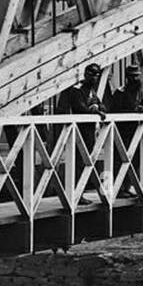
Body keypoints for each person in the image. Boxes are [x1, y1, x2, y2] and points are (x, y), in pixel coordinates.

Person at [56, 63, 106, 203]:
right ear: (86, 74)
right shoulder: (77, 90)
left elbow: (102, 105)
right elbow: (80, 108)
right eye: (92, 75)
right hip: (78, 132)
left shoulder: (91, 90)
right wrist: (95, 109)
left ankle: (79, 193)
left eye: (97, 75)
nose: (94, 78)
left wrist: (97, 107)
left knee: (86, 163)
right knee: (78, 163)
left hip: (89, 132)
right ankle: (75, 194)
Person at [108, 63, 143, 198]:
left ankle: (127, 186)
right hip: (122, 131)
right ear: (127, 77)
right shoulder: (120, 92)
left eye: (137, 76)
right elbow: (114, 111)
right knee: (120, 160)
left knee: (134, 160)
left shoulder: (141, 91)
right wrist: (132, 111)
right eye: (132, 77)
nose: (135, 79)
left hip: (135, 131)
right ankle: (119, 189)